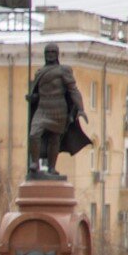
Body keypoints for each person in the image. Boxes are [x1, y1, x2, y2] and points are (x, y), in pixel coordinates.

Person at [27, 42, 91, 178]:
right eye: (48, 52)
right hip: (43, 108)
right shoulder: (39, 72)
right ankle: (35, 163)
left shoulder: (64, 70)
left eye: (52, 52)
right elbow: (40, 92)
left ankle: (51, 168)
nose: (50, 54)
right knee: (34, 134)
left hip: (58, 108)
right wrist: (32, 97)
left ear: (57, 54)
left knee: (54, 139)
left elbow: (73, 90)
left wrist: (80, 109)